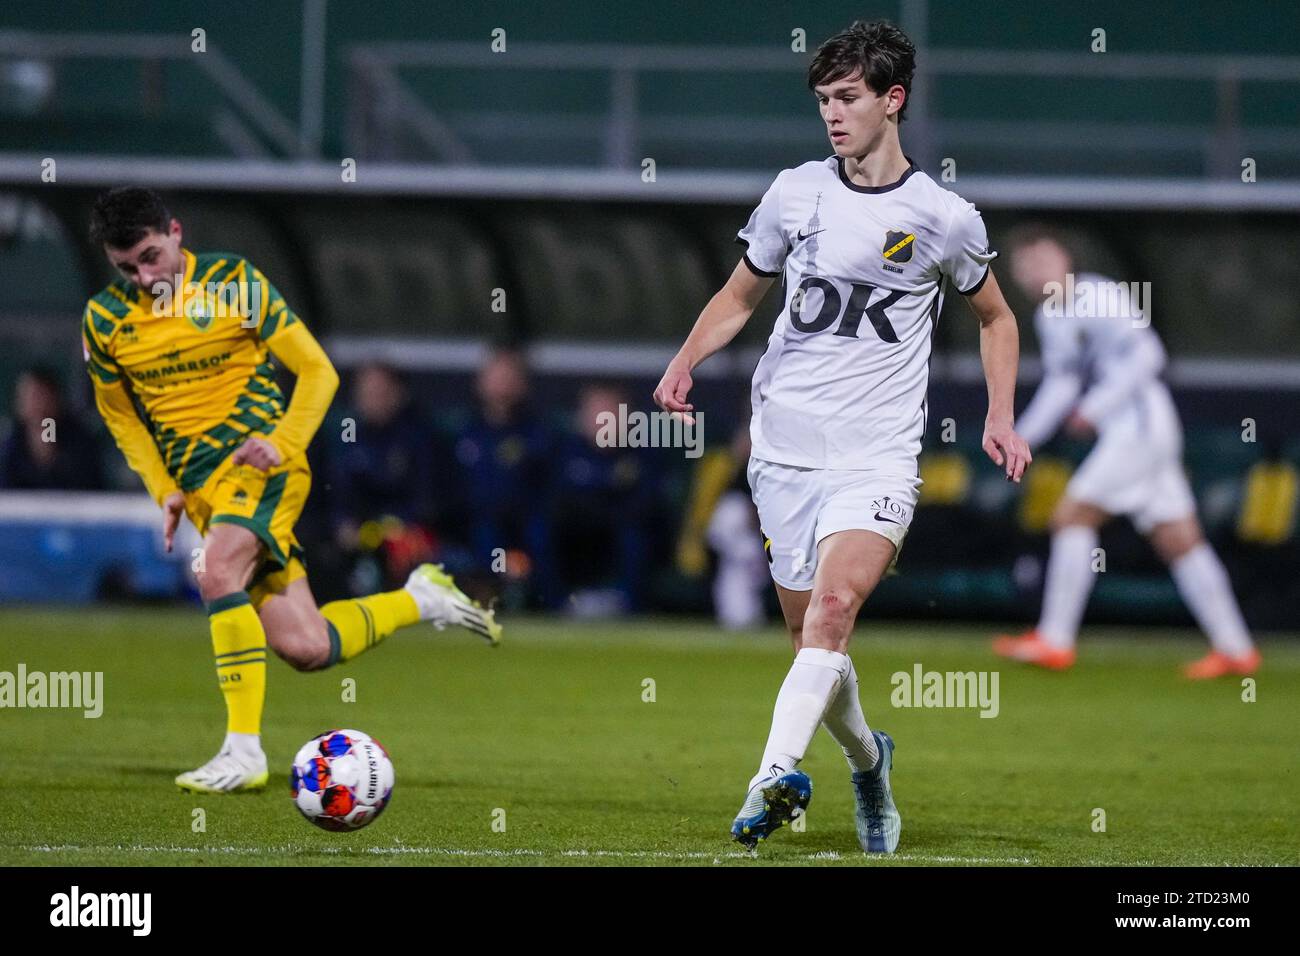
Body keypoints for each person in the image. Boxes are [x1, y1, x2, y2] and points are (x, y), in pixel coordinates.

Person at [654, 20, 1030, 854]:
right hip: (783, 451)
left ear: (892, 101)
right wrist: (683, 361)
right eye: (824, 99)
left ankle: (770, 777)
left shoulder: (943, 217)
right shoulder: (795, 193)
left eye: (848, 98)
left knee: (832, 612)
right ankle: (870, 762)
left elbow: (997, 317)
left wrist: (1001, 416)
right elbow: (739, 296)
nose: (833, 114)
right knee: (811, 646)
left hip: (878, 456)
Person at [81, 186, 501, 794]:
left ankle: (243, 751)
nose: (144, 277)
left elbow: (316, 370)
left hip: (263, 469)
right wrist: (163, 488)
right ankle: (422, 598)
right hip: (204, 492)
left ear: (175, 232)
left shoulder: (233, 283)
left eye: (150, 256)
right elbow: (120, 417)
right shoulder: (105, 321)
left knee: (216, 568)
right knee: (307, 646)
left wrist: (283, 440)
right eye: (126, 268)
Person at [993, 224, 1260, 679]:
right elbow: (1062, 386)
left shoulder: (1097, 295)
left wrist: (1098, 407)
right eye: (1024, 267)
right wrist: (1021, 437)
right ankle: (1236, 650)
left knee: (1071, 516)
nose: (1035, 272)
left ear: (1064, 259)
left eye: (1042, 259)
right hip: (1137, 432)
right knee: (1178, 539)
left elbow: (1149, 355)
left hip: (1140, 428)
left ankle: (1055, 640)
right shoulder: (1049, 318)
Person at [0, 366, 105, 490]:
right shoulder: (11, 442)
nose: (35, 404)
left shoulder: (78, 441)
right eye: (28, 397)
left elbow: (87, 487)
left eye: (40, 396)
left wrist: (50, 454)